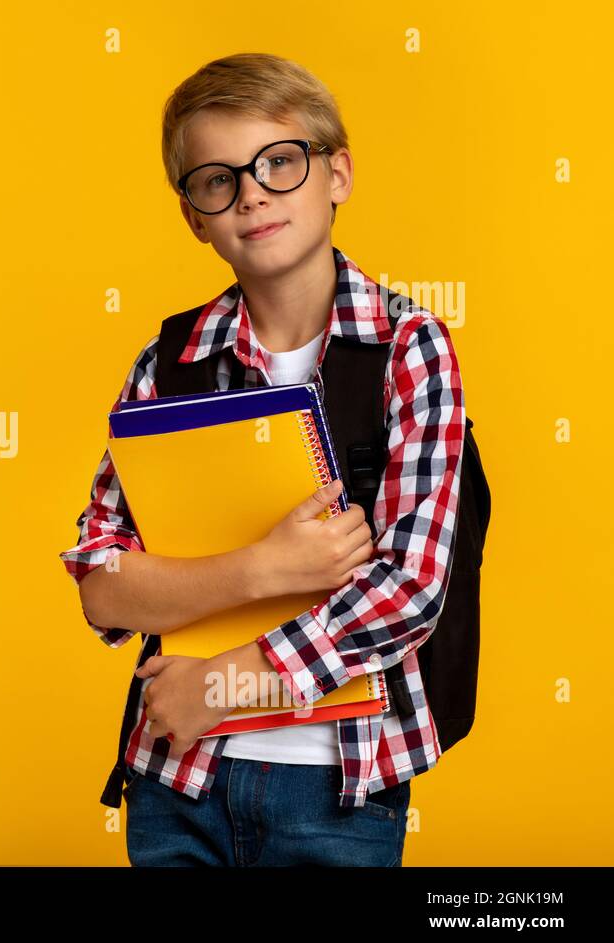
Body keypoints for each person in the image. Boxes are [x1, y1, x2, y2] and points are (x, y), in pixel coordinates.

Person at [58, 53, 465, 866]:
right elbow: (104, 588)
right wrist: (263, 568)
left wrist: (224, 683)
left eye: (279, 164)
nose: (252, 194)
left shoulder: (407, 350)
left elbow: (411, 589)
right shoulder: (167, 363)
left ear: (337, 173)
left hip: (339, 787)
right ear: (193, 216)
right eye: (218, 179)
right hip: (179, 779)